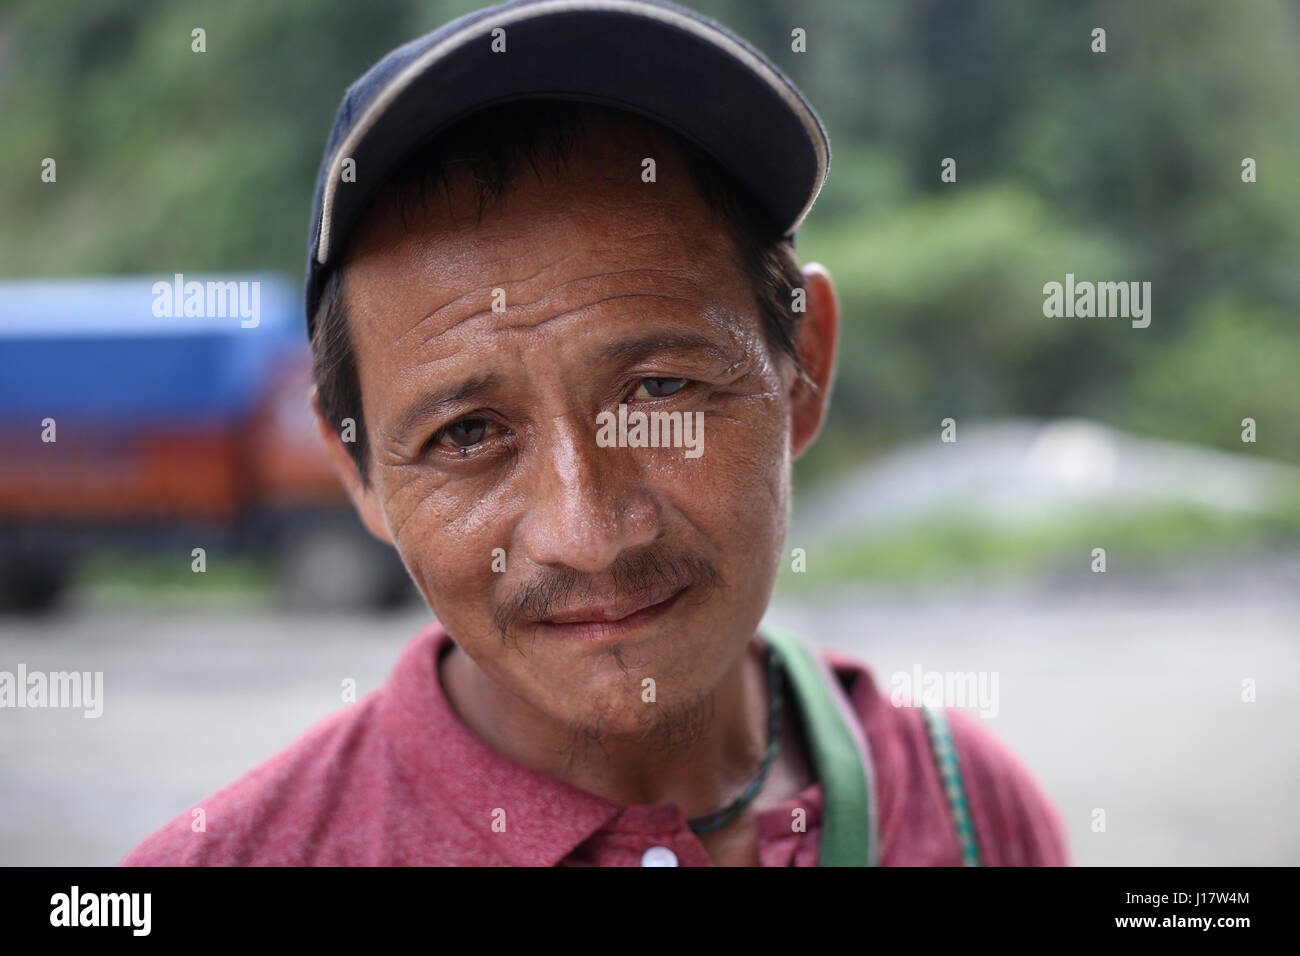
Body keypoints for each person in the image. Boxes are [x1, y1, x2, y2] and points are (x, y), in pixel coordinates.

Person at [123, 0, 1067, 867]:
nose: (587, 530)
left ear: (803, 365)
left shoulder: (971, 810)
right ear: (360, 473)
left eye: (658, 387)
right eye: (467, 435)